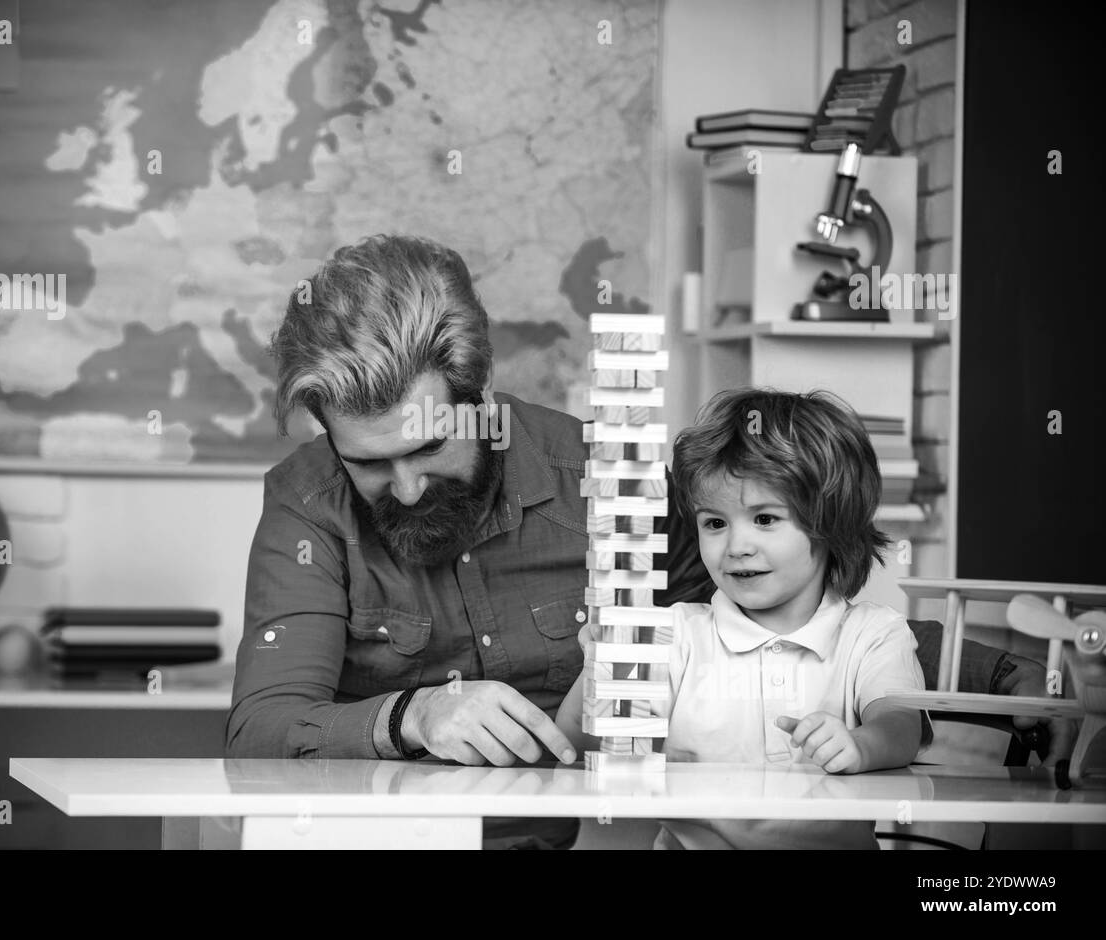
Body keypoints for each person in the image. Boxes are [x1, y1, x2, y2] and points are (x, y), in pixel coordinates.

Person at [227, 233, 1073, 848]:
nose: (405, 488)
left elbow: (791, 612)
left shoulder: (612, 476)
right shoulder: (307, 502)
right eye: (371, 463)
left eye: (427, 449)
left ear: (479, 394)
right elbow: (264, 731)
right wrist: (415, 714)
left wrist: (1042, 692)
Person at [561, 387, 938, 848]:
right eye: (714, 523)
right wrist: (600, 672)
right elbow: (579, 746)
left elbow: (902, 727)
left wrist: (860, 745)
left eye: (765, 519)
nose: (736, 545)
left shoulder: (874, 634)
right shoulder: (674, 634)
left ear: (829, 521)